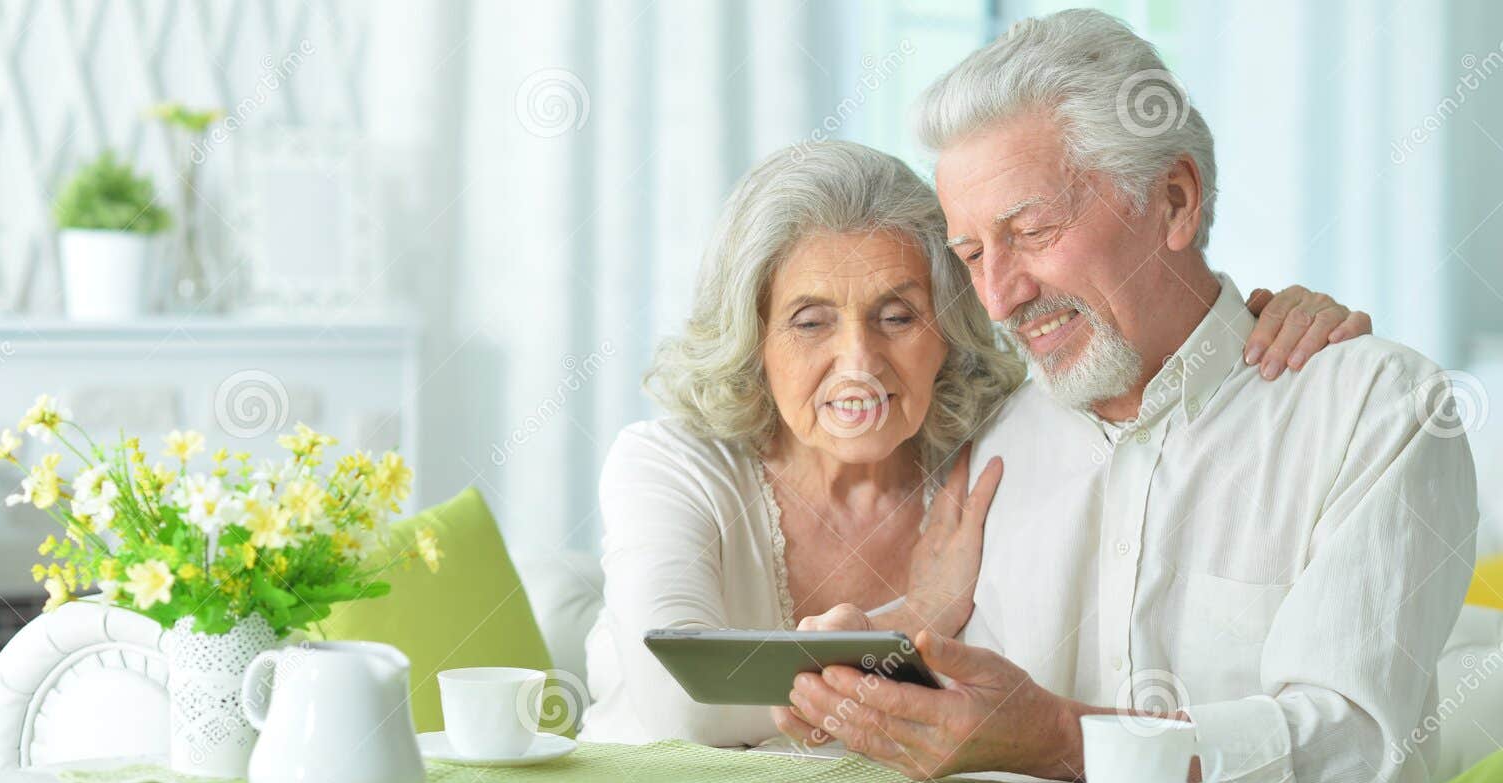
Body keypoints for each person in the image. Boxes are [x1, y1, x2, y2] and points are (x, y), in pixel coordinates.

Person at [772, 8, 1477, 783]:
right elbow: (977, 709)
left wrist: (1062, 738)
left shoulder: (1375, 407)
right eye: (971, 252)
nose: (1000, 294)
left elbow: (1344, 746)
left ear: (1174, 200)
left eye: (1030, 232)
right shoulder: (1002, 435)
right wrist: (874, 684)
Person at [578, 140, 1369, 751]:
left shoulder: (997, 453)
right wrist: (917, 616)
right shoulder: (669, 465)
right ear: (753, 338)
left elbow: (1147, 387)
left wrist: (1258, 331)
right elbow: (685, 698)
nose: (859, 362)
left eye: (897, 315)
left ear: (950, 328)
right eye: (811, 321)